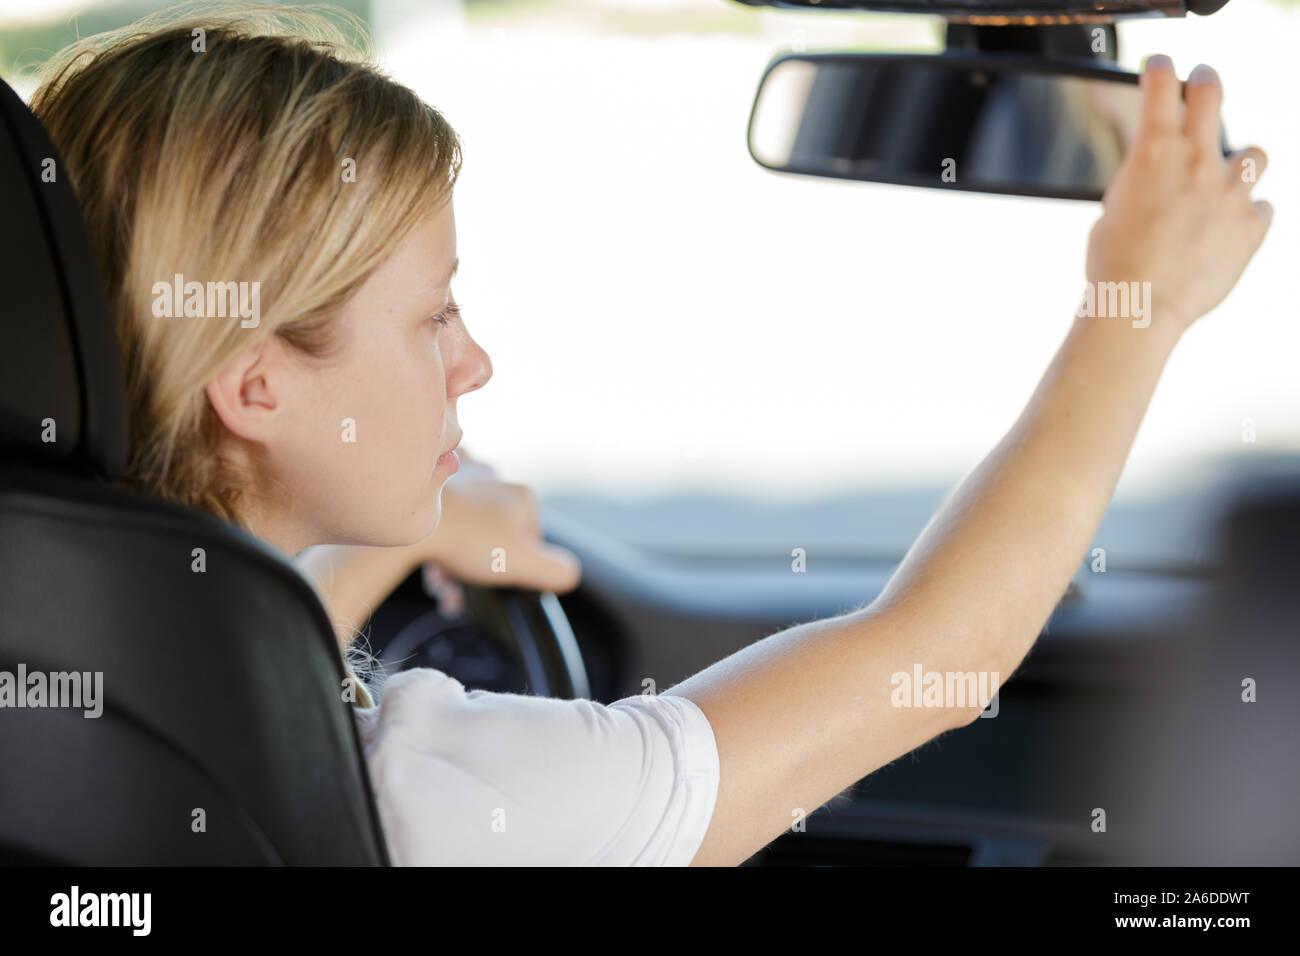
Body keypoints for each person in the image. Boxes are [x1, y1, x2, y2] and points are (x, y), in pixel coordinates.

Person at [30, 3, 1272, 866]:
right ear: (255, 388)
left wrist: (374, 550)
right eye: (433, 314)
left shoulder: (67, 672)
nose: (476, 360)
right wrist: (1140, 304)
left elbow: (236, 659)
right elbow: (934, 654)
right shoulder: (440, 795)